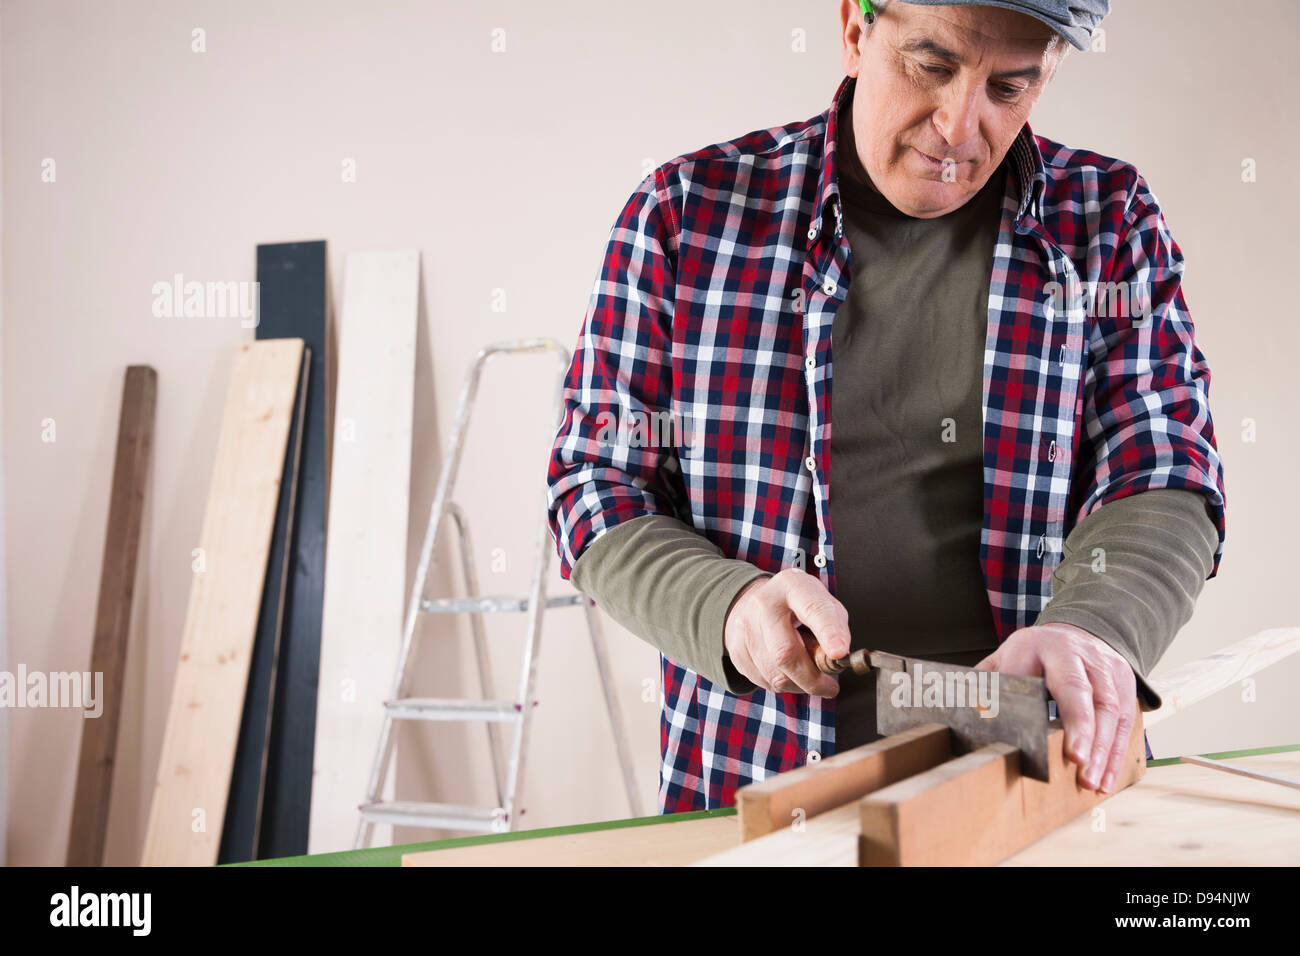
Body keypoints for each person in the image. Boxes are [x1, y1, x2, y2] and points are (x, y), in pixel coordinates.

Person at [546, 0, 1226, 813]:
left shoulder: (1109, 222)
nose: (958, 126)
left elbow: (1163, 468)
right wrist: (722, 606)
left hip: (1036, 778)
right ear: (854, 28)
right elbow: (594, 482)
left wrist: (1096, 627)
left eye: (1009, 88)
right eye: (930, 66)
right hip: (758, 775)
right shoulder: (685, 213)